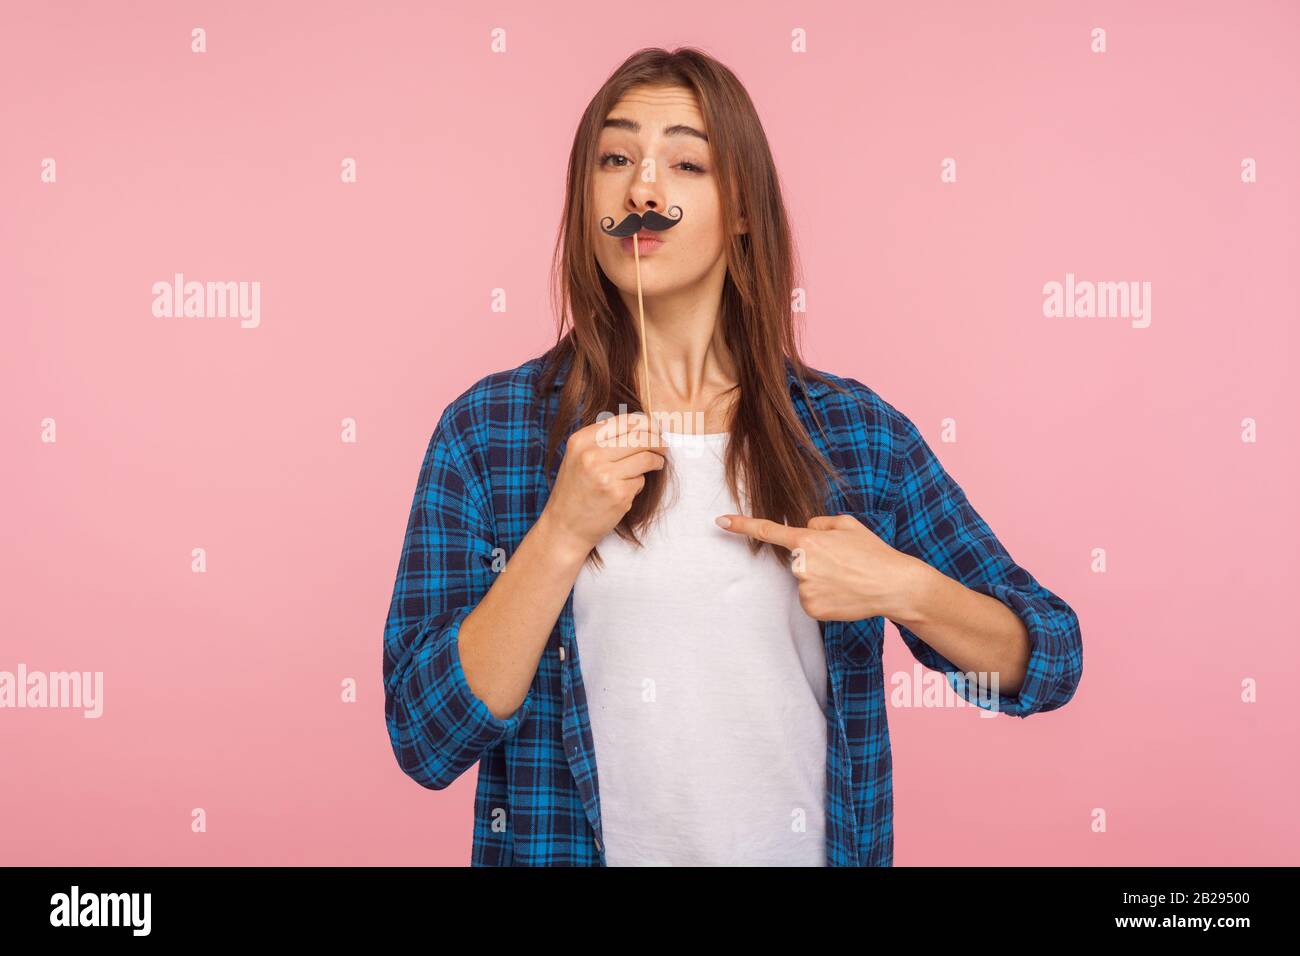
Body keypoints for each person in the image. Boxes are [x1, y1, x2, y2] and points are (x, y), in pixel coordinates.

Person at [382, 47, 1083, 866]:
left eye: (685, 162)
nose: (643, 190)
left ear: (743, 210)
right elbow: (426, 739)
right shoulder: (488, 432)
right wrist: (560, 536)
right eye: (615, 159)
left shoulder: (856, 435)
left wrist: (901, 585)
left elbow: (1048, 662)